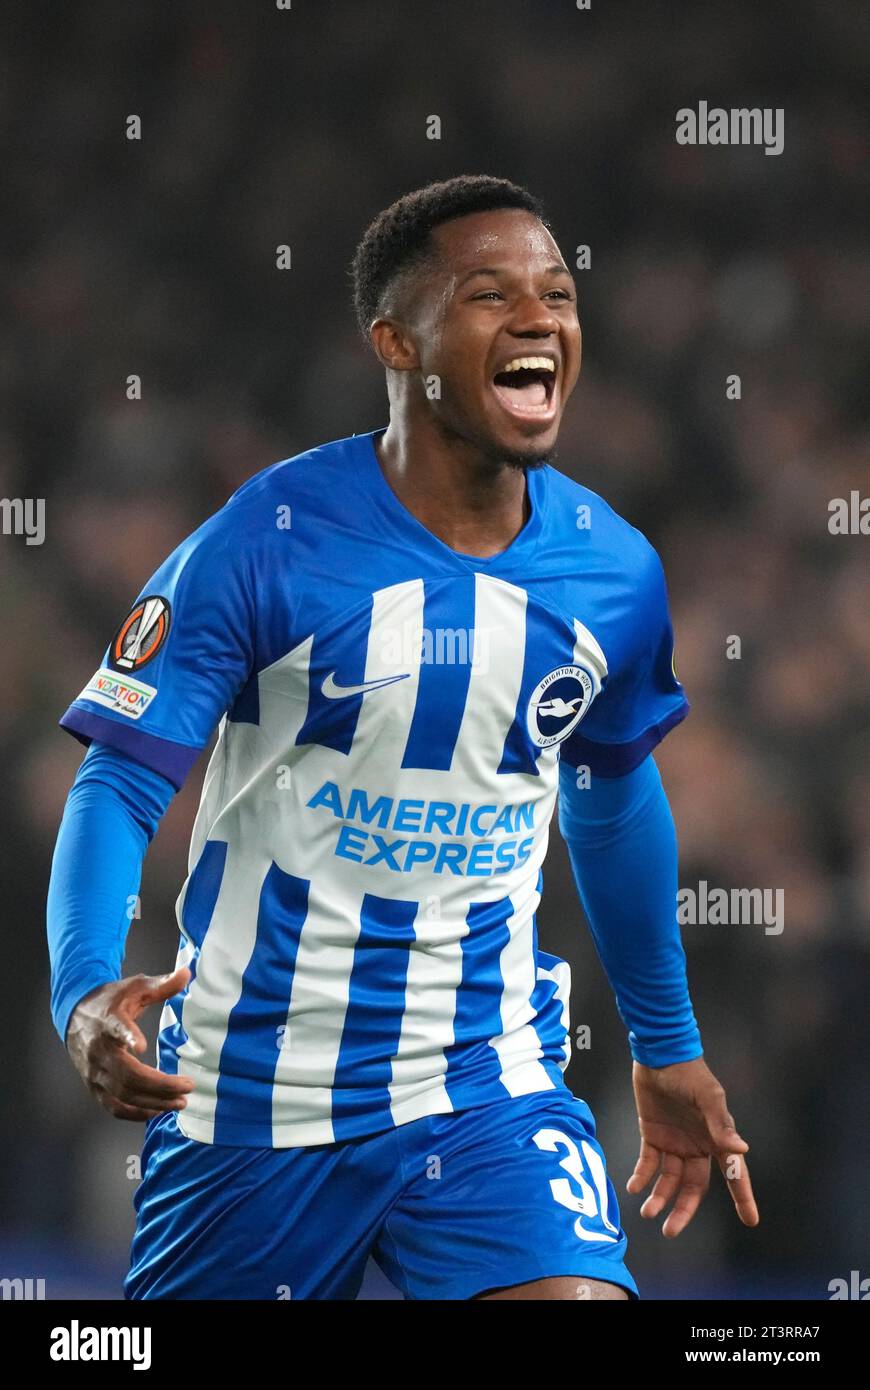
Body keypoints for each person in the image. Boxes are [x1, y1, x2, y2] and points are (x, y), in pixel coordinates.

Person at [47, 174, 758, 1301]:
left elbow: (612, 797)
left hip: (487, 1084)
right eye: (489, 295)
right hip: (248, 1096)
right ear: (397, 340)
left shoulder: (613, 572)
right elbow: (120, 783)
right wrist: (82, 991)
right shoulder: (265, 543)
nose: (539, 319)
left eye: (559, 293)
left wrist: (664, 1044)